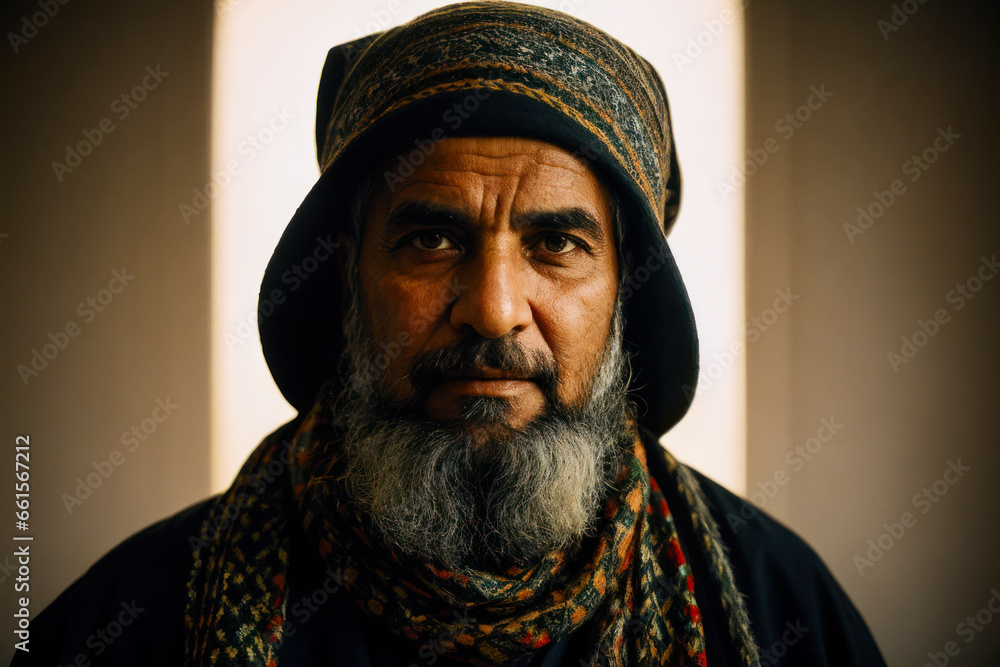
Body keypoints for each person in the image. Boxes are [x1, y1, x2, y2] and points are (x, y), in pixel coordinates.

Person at [15, 2, 886, 665]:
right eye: (431, 238)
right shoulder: (136, 616)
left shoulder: (780, 611)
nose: (494, 308)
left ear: (627, 292)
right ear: (348, 276)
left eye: (556, 244)